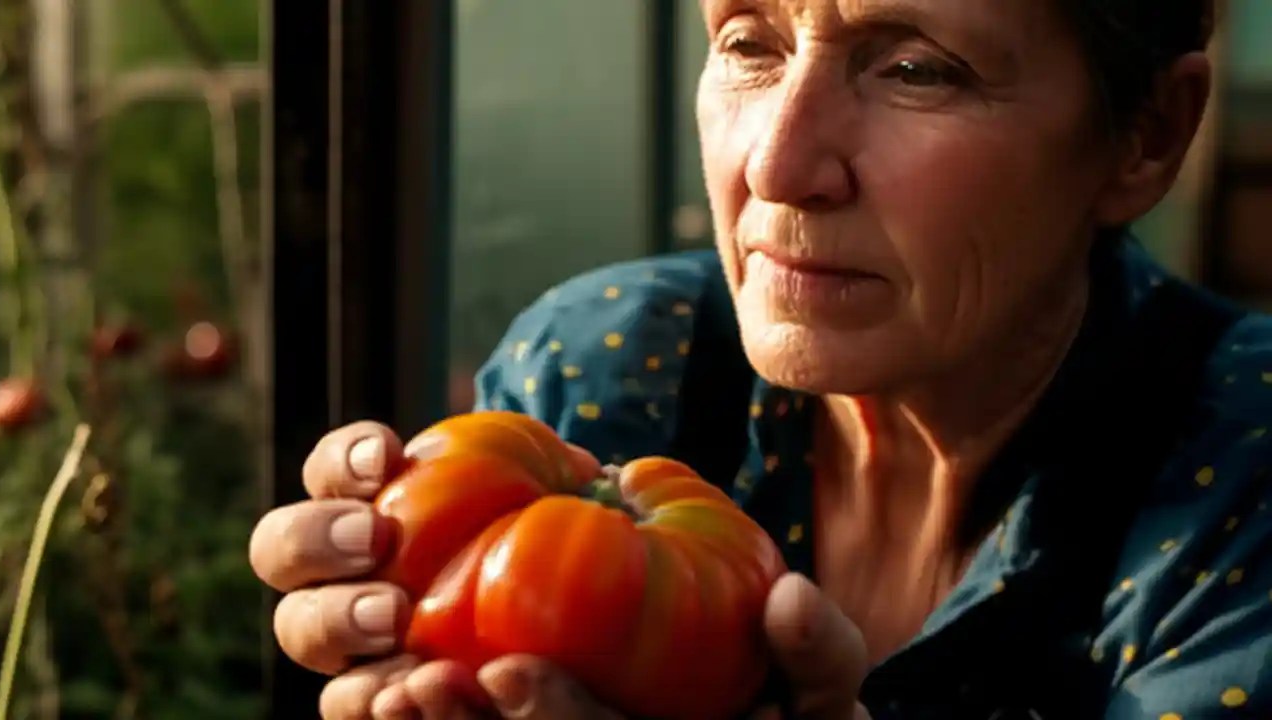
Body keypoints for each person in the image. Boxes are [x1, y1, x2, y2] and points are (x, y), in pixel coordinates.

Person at [249, 0, 1272, 717]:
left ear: (1145, 135)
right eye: (746, 43)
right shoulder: (610, 372)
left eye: (914, 69)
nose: (777, 167)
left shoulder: (1245, 472)